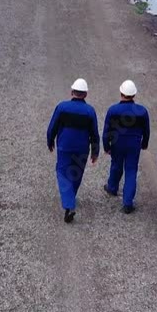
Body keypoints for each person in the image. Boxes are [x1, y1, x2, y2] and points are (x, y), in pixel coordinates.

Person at [47, 79, 100, 224]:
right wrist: (95, 152)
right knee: (76, 173)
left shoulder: (62, 107)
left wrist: (50, 140)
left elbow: (53, 126)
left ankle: (69, 205)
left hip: (65, 146)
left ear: (72, 92)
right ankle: (71, 196)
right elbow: (94, 133)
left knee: (62, 173)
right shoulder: (90, 111)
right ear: (86, 94)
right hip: (82, 148)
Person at [102, 80, 151, 214]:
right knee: (131, 171)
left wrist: (106, 146)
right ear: (134, 94)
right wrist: (144, 143)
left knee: (116, 165)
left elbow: (107, 131)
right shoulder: (142, 111)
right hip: (134, 144)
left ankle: (112, 187)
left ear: (121, 92)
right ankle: (128, 203)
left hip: (117, 143)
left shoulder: (113, 110)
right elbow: (146, 130)